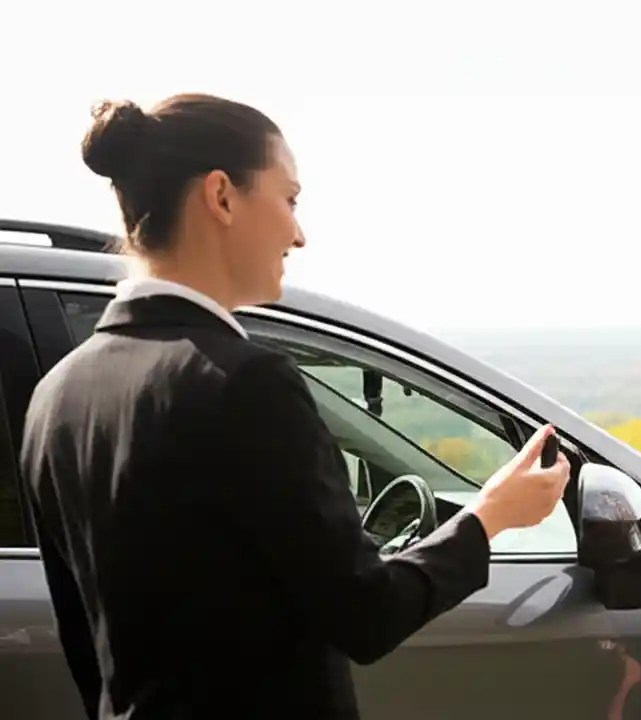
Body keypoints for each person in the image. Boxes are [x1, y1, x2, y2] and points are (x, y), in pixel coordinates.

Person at [20, 94, 572, 719]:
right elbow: (366, 613)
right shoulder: (246, 384)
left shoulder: (56, 396)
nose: (299, 234)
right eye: (289, 199)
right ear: (222, 196)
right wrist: (490, 517)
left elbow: (86, 651)